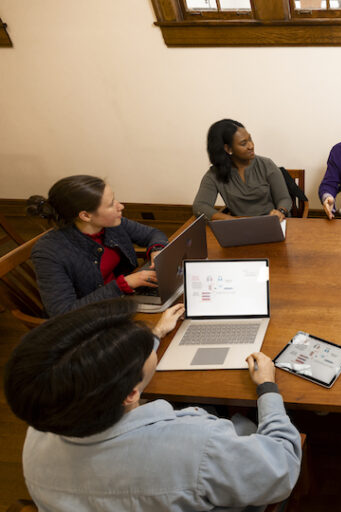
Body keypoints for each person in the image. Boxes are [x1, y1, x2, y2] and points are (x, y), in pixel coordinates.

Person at [4, 299, 302, 511]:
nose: (146, 337)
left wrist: (156, 335)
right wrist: (267, 388)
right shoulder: (197, 445)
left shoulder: (41, 427)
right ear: (131, 393)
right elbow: (282, 468)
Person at [27, 175, 168, 317]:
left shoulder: (110, 223)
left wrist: (157, 250)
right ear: (86, 216)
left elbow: (153, 234)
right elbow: (63, 313)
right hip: (93, 318)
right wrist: (122, 285)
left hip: (125, 300)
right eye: (111, 204)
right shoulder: (48, 252)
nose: (120, 206)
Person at [193, 119, 292, 221]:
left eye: (250, 139)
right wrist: (229, 220)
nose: (251, 146)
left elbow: (284, 198)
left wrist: (281, 211)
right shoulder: (215, 174)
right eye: (243, 143)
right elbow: (200, 206)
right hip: (240, 227)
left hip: (271, 222)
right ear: (228, 149)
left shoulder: (266, 164)